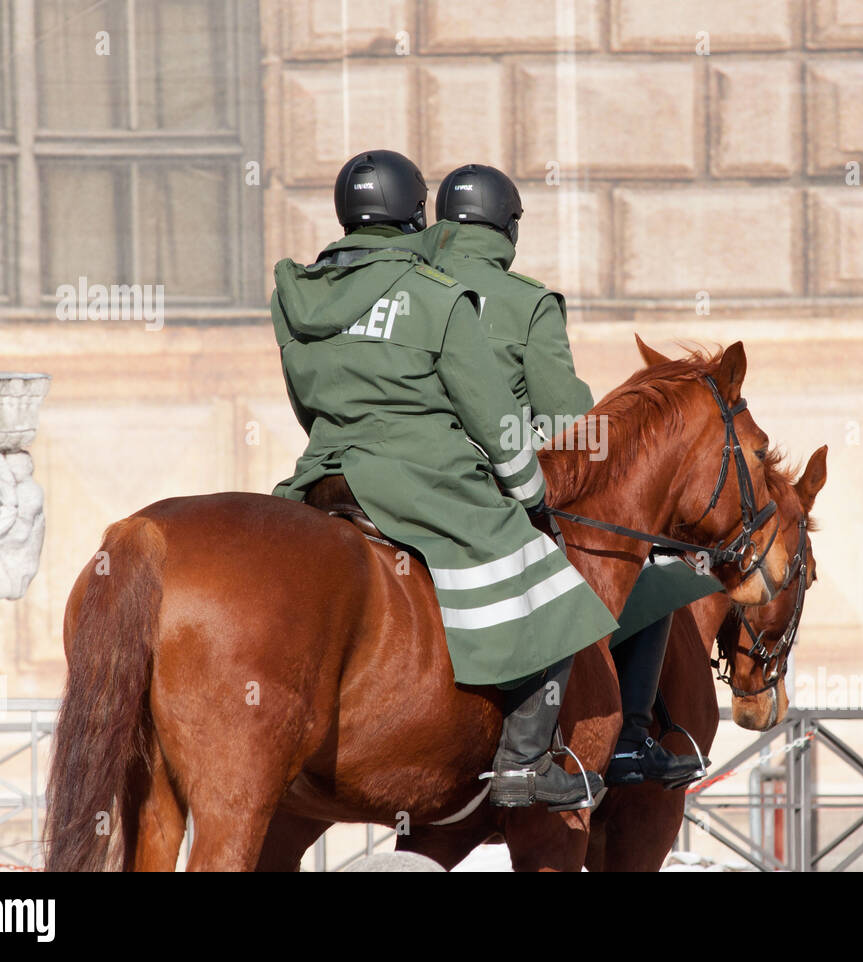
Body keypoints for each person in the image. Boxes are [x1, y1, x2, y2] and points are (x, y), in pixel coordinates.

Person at [270, 150, 619, 810]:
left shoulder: (296, 299)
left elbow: (305, 404)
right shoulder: (434, 297)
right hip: (423, 480)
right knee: (556, 597)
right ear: (415, 214)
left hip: (320, 476)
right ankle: (520, 767)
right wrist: (529, 492)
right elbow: (498, 421)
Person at [432, 163, 716, 789]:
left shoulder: (406, 286)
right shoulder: (528, 303)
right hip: (494, 490)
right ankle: (629, 740)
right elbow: (571, 428)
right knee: (652, 578)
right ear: (508, 227)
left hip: (373, 480)